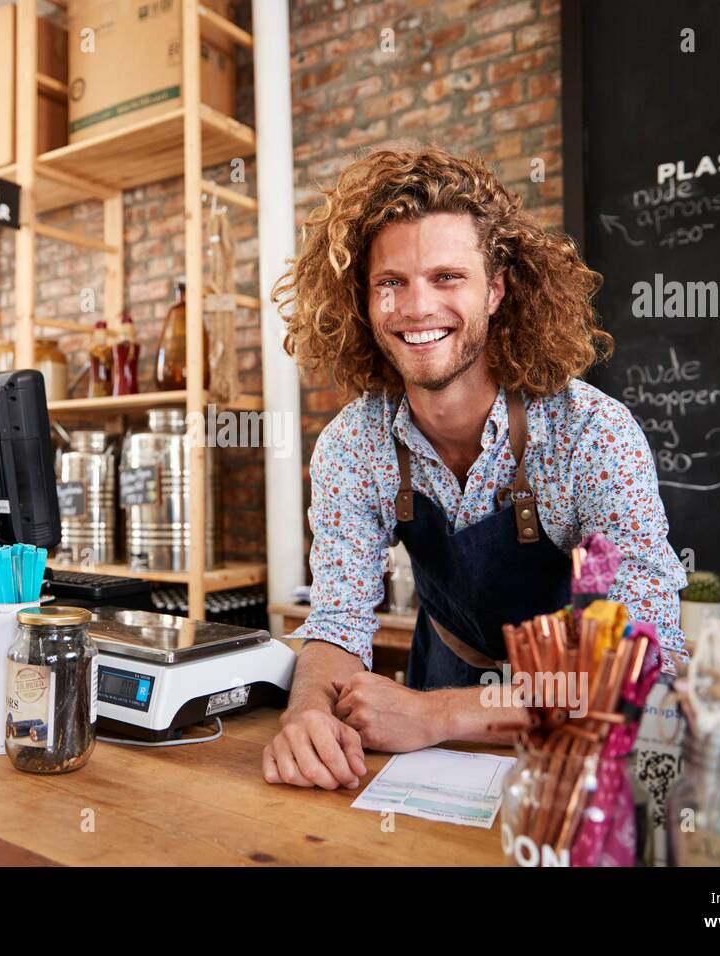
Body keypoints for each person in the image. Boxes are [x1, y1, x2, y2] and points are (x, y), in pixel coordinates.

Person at [263, 146, 687, 791]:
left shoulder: (590, 435)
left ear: (495, 290)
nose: (416, 307)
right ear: (363, 300)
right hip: (429, 724)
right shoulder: (354, 444)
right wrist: (307, 713)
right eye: (390, 282)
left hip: (576, 732)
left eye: (447, 277)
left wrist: (437, 713)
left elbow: (644, 666)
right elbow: (336, 622)